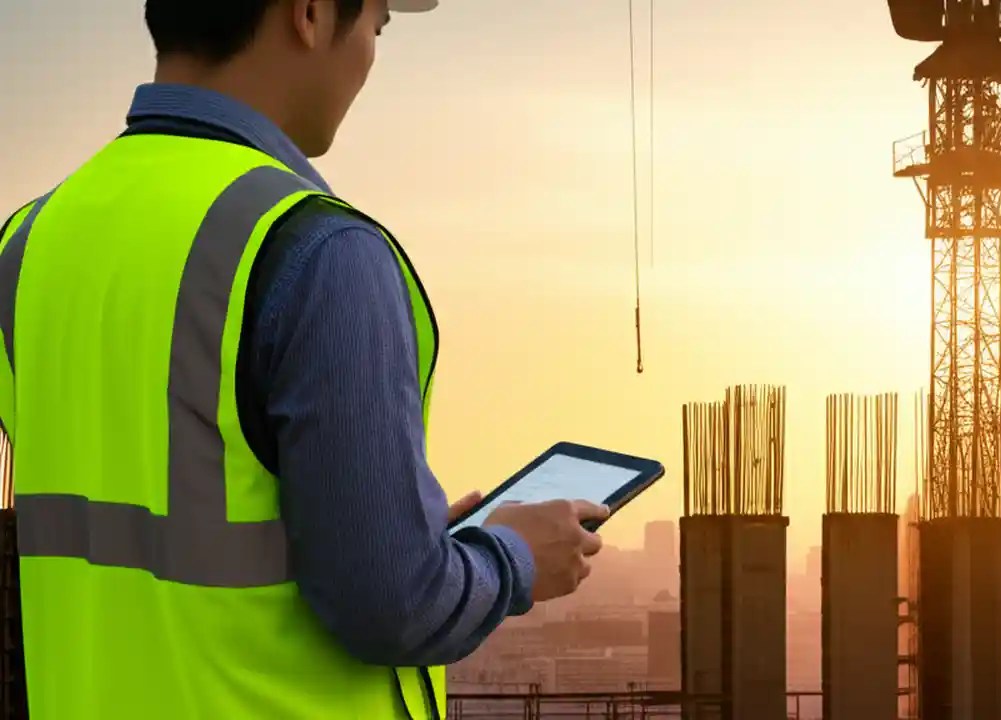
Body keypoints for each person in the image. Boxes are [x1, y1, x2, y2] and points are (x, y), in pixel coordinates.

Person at [0, 0, 609, 718]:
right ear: (312, 14)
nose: (371, 58)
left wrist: (378, 522)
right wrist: (513, 558)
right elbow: (394, 605)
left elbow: (157, 521)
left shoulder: (30, 243)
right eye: (377, 26)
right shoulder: (318, 253)